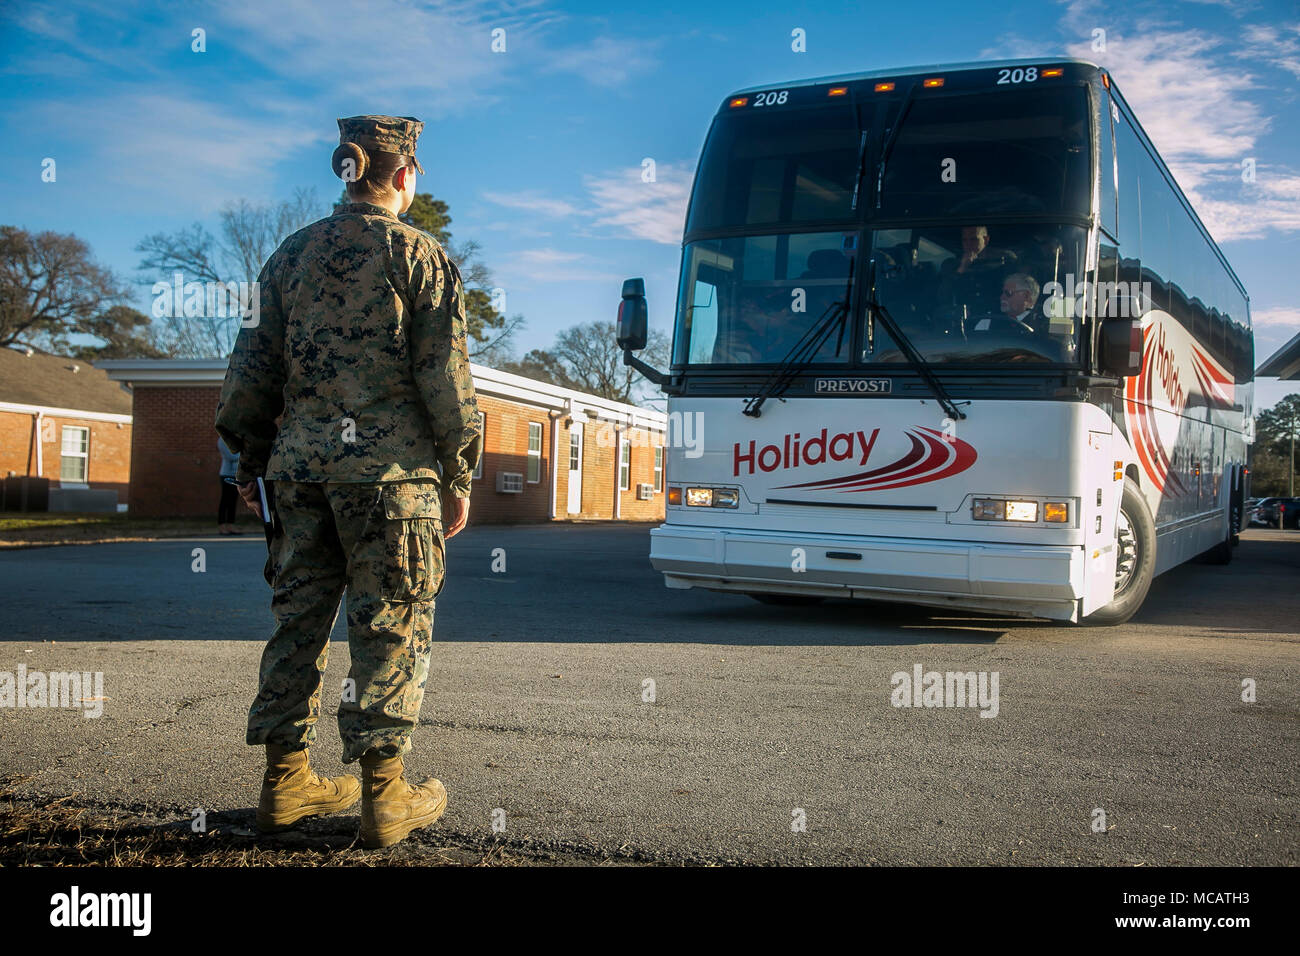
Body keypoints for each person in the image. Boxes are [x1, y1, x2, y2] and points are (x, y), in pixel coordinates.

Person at [215, 114, 481, 849]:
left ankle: (284, 784)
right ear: (403, 175)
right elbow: (446, 381)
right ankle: (385, 797)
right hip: (390, 483)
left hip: (297, 476)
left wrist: (246, 458)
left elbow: (249, 370)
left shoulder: (285, 258)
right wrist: (459, 472)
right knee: (389, 627)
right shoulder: (421, 256)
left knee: (297, 625)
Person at [217, 436, 242, 535]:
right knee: (225, 500)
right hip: (226, 474)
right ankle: (222, 526)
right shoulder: (222, 440)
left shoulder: (235, 438)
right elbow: (230, 456)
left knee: (233, 500)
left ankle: (231, 525)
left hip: (235, 474)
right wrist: (243, 455)